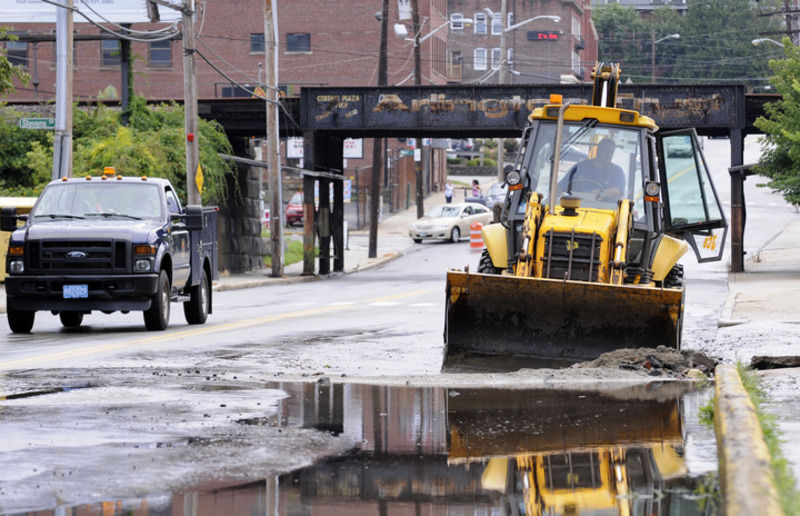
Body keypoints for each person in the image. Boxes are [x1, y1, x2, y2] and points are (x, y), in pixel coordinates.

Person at [559, 138, 626, 201]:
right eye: (606, 150)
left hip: (607, 210)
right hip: (577, 208)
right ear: (598, 150)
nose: (608, 154)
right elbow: (560, 187)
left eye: (611, 152)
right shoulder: (579, 168)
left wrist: (601, 192)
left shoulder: (617, 171)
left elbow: (619, 192)